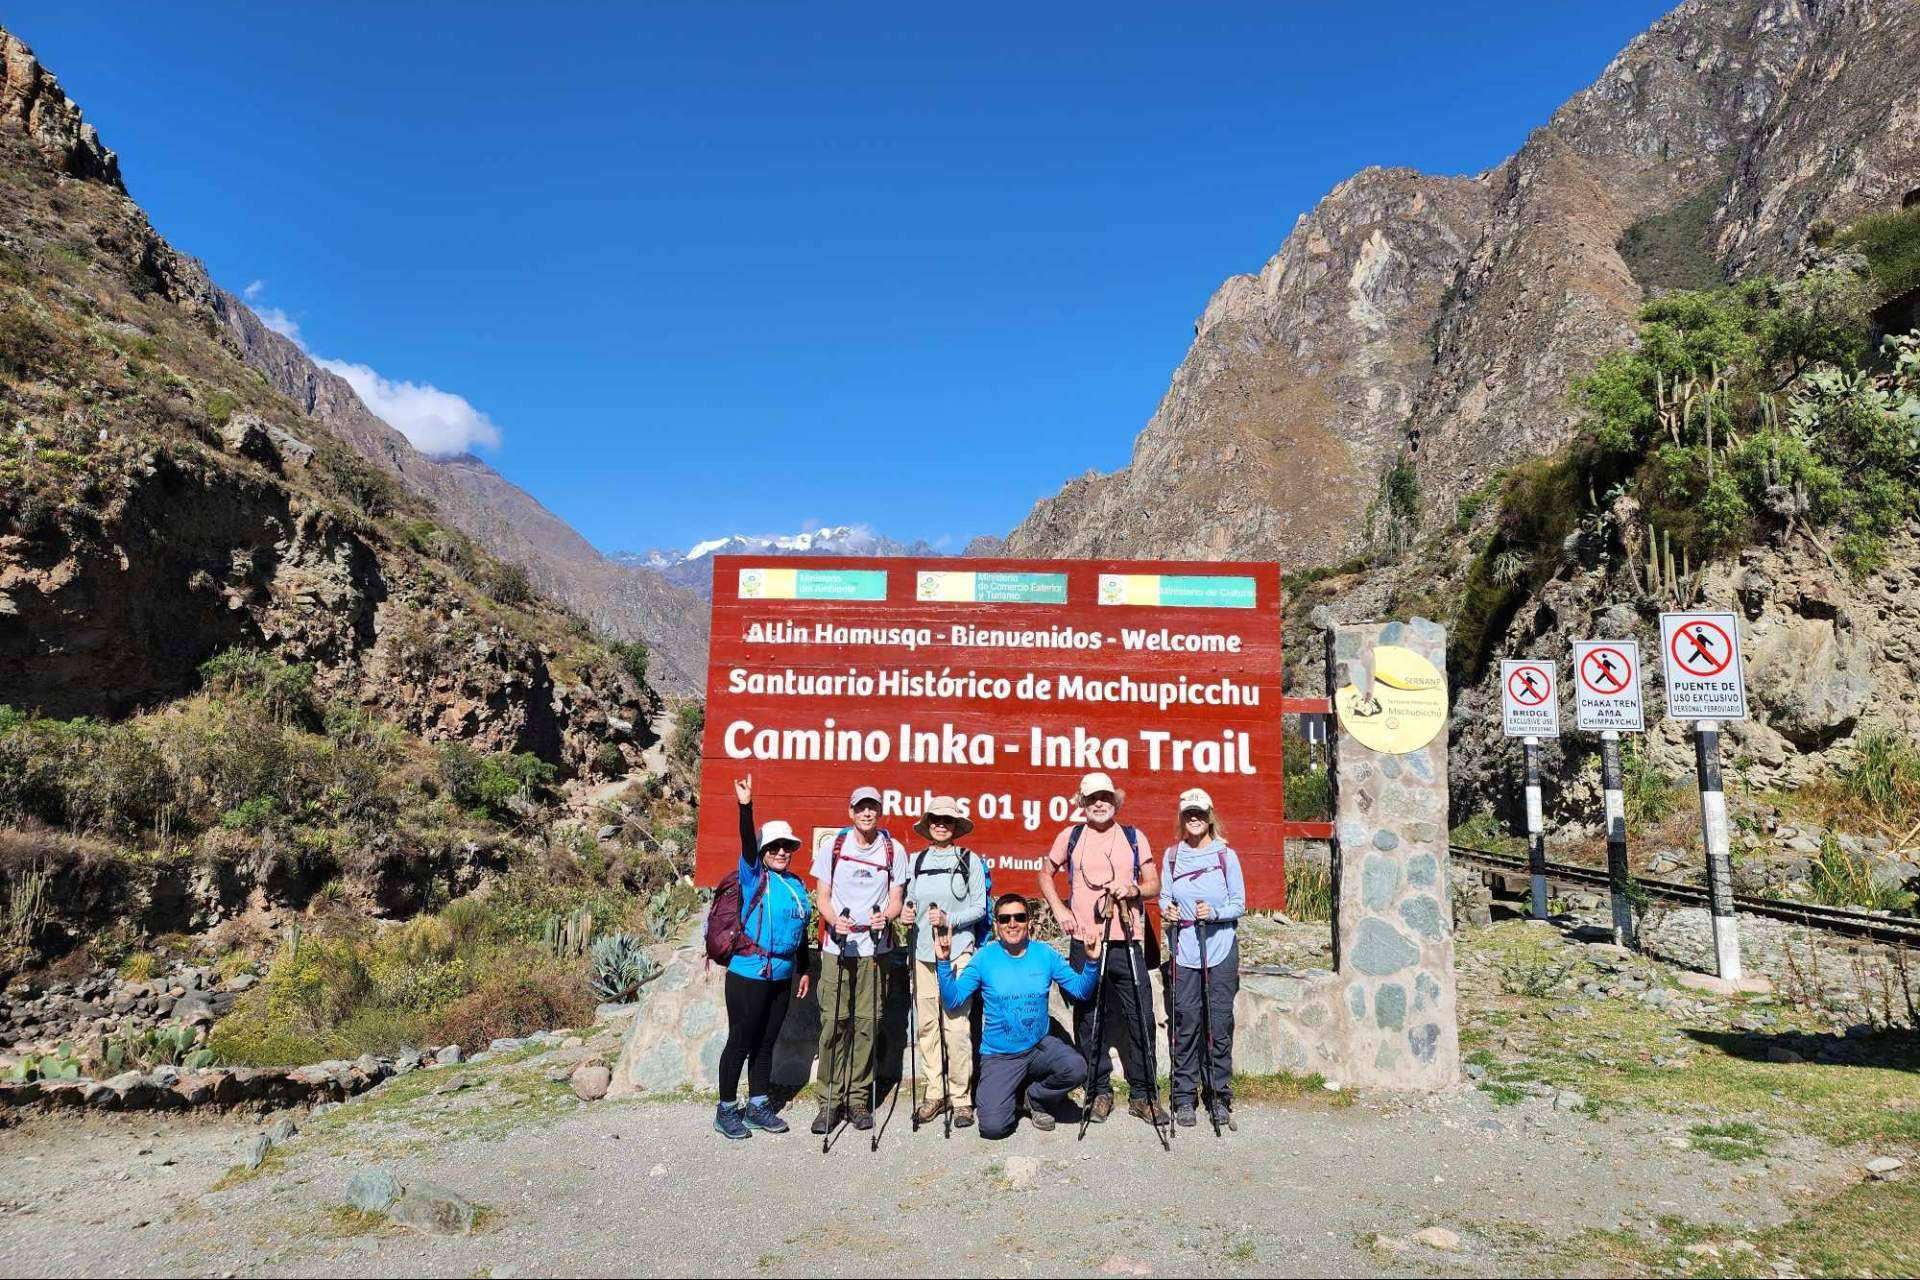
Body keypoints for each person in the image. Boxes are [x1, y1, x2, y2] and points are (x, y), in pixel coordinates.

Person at [1038, 771, 1166, 1127]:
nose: (1099, 803)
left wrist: (1135, 890)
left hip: (1127, 941)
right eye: (1092, 797)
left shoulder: (1133, 837)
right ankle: (1098, 1092)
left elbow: (1153, 882)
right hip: (1086, 942)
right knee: (1089, 1018)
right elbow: (1045, 873)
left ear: (1115, 802)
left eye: (1105, 798)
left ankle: (1144, 1095)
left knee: (1141, 1016)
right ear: (1081, 801)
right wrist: (1061, 910)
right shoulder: (1071, 836)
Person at [935, 893, 1100, 1139]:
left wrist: (1092, 961)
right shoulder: (984, 958)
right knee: (992, 1128)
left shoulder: (1044, 954)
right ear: (996, 925)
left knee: (1076, 1068)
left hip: (1038, 1047)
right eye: (1005, 919)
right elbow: (954, 999)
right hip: (1000, 1056)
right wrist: (943, 962)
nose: (1012, 924)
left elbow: (1080, 990)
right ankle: (1007, 1094)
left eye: (1019, 917)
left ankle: (1034, 1096)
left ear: (1029, 923)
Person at [715, 774, 813, 1140]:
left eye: (786, 846)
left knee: (767, 1042)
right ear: (763, 850)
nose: (782, 852)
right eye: (774, 846)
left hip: (782, 974)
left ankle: (758, 1104)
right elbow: (745, 842)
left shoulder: (797, 885)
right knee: (740, 1039)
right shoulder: (753, 875)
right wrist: (746, 806)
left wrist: (803, 968)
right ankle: (726, 1109)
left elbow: (800, 930)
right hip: (748, 972)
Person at [810, 784, 907, 1136]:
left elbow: (896, 898)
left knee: (867, 1024)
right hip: (838, 948)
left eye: (873, 808)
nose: (867, 813)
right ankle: (829, 1101)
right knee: (833, 1023)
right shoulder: (833, 847)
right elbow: (822, 895)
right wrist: (835, 920)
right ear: (850, 812)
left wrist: (888, 916)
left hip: (875, 949)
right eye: (861, 808)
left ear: (879, 812)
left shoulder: (893, 849)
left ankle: (858, 1099)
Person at [898, 796, 988, 1129]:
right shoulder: (916, 861)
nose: (940, 824)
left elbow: (980, 907)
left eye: (947, 820)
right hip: (923, 954)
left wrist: (951, 918)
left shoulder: (969, 860)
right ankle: (934, 1093)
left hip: (958, 953)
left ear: (955, 827)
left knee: (957, 1025)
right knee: (927, 1027)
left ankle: (961, 1099)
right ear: (928, 824)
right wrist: (907, 912)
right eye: (935, 819)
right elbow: (910, 899)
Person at [1157, 787, 1245, 1130]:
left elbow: (1240, 902)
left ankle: (1219, 1096)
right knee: (1186, 1022)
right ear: (1182, 817)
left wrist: (1218, 912)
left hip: (1219, 948)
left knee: (1218, 1025)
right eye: (1188, 813)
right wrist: (1170, 910)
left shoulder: (1226, 855)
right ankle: (1183, 1097)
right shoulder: (1172, 856)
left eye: (1200, 813)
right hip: (1185, 949)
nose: (1194, 818)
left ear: (1210, 816)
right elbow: (1164, 898)